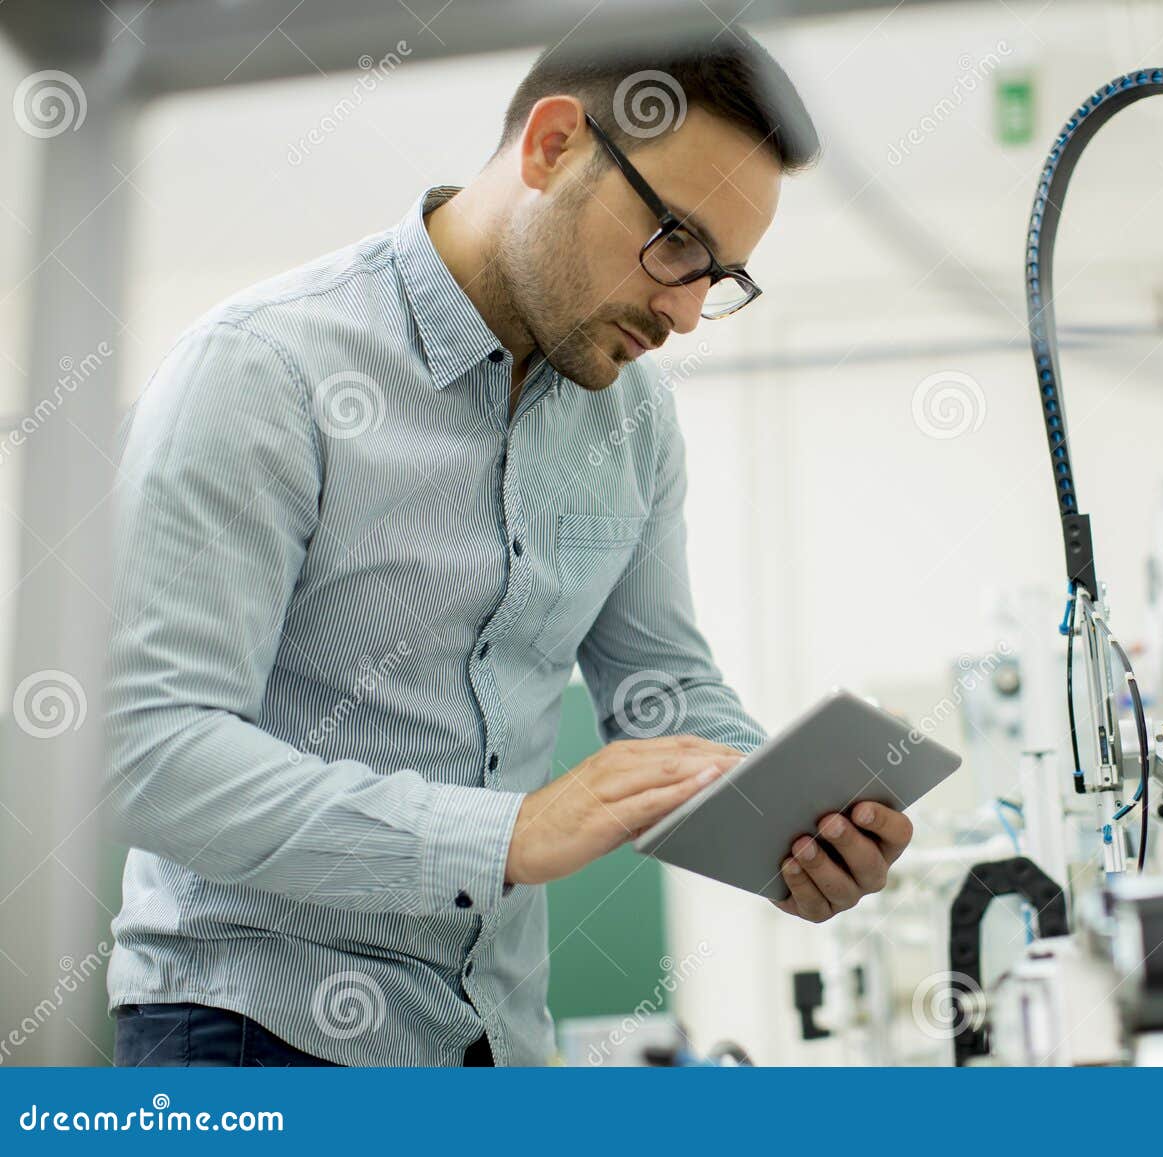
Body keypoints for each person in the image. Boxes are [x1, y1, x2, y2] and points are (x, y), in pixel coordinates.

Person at [104, 26, 915, 1068]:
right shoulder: (265, 370)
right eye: (674, 239)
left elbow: (662, 687)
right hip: (251, 1030)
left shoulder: (633, 422)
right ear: (551, 147)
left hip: (496, 1042)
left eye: (719, 276)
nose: (684, 312)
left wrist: (789, 825)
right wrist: (506, 832)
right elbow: (148, 751)